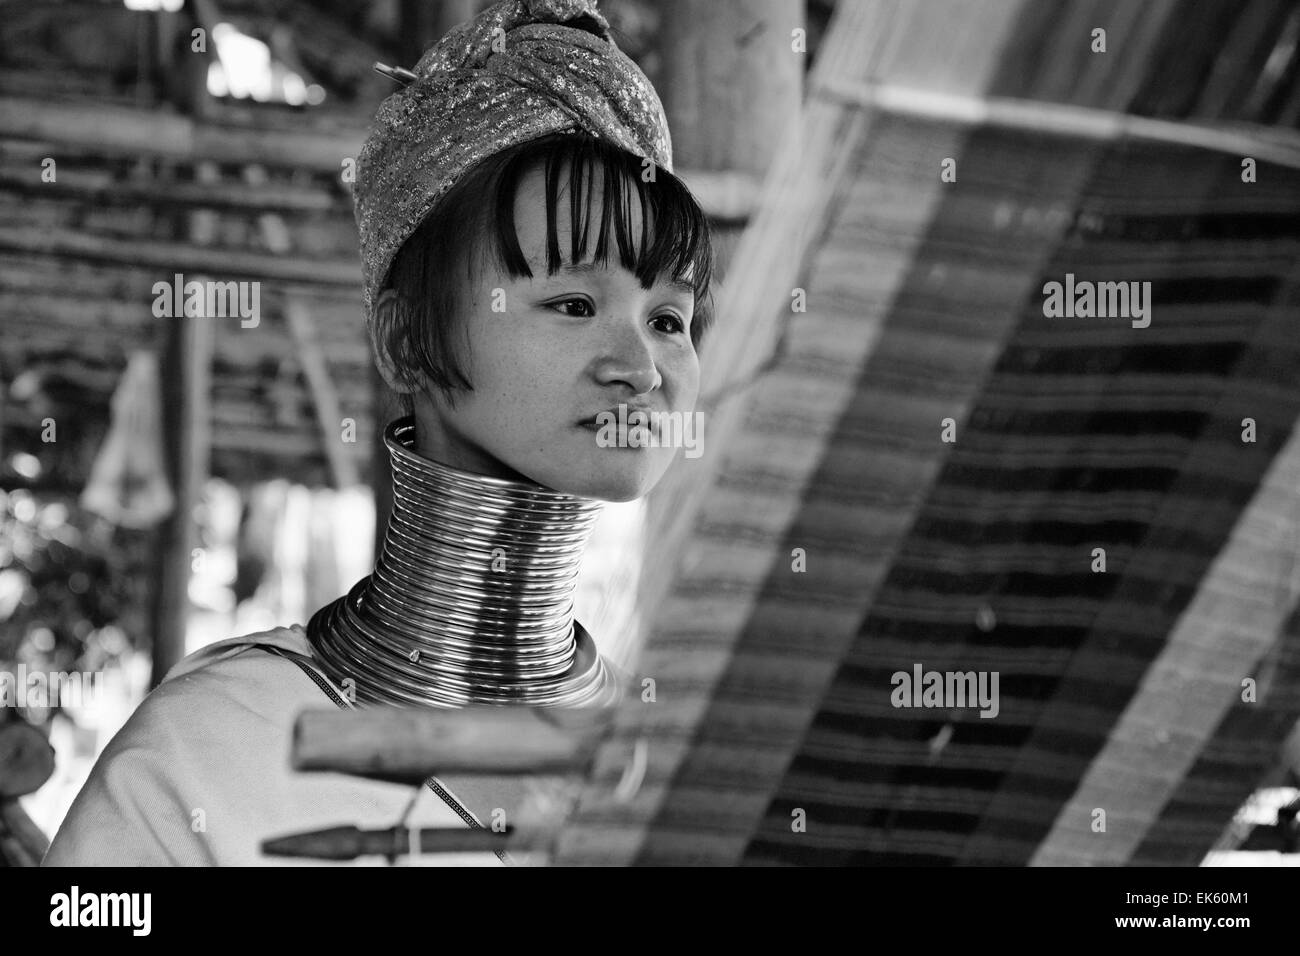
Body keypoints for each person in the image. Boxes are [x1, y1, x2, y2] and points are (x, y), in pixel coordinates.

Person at [43, 0, 714, 866]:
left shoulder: (670, 771)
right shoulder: (209, 756)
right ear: (407, 340)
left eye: (670, 317)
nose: (642, 366)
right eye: (576, 304)